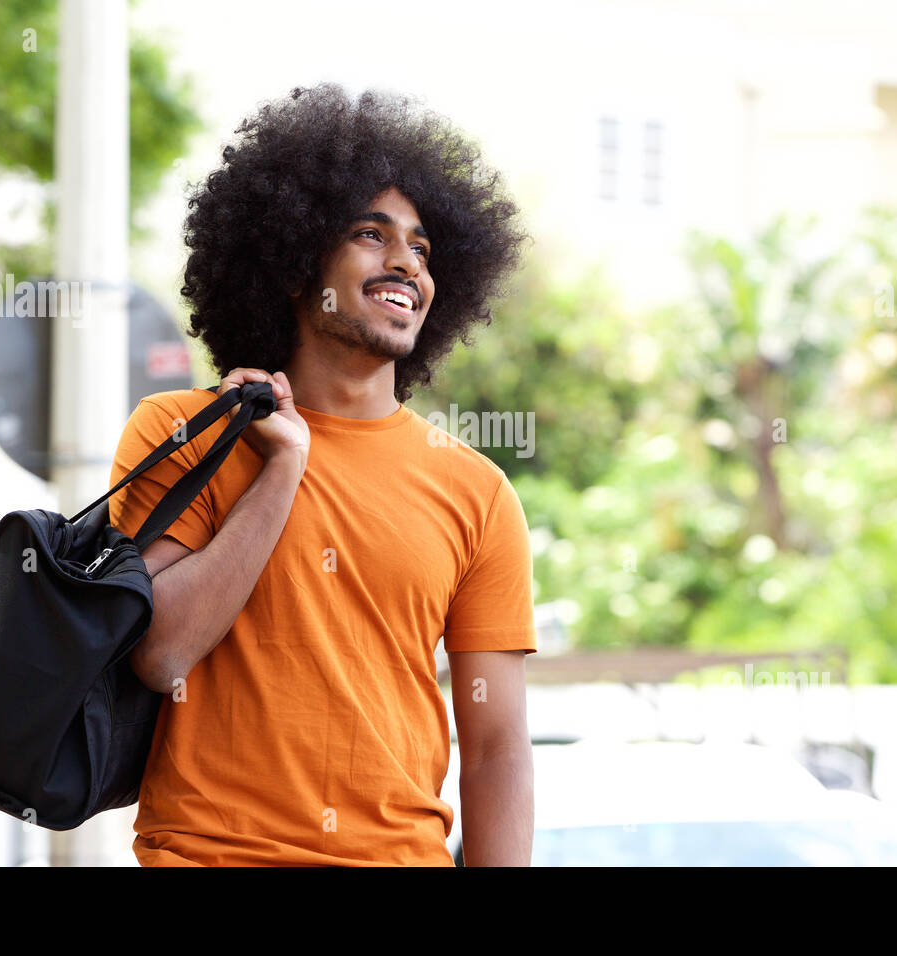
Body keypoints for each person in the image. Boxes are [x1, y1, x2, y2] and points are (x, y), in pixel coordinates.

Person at [107, 83, 535, 866]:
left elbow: (499, 746)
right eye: (371, 234)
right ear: (297, 261)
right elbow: (161, 653)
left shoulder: (476, 493)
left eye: (422, 246)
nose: (404, 259)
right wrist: (283, 468)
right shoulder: (182, 434)